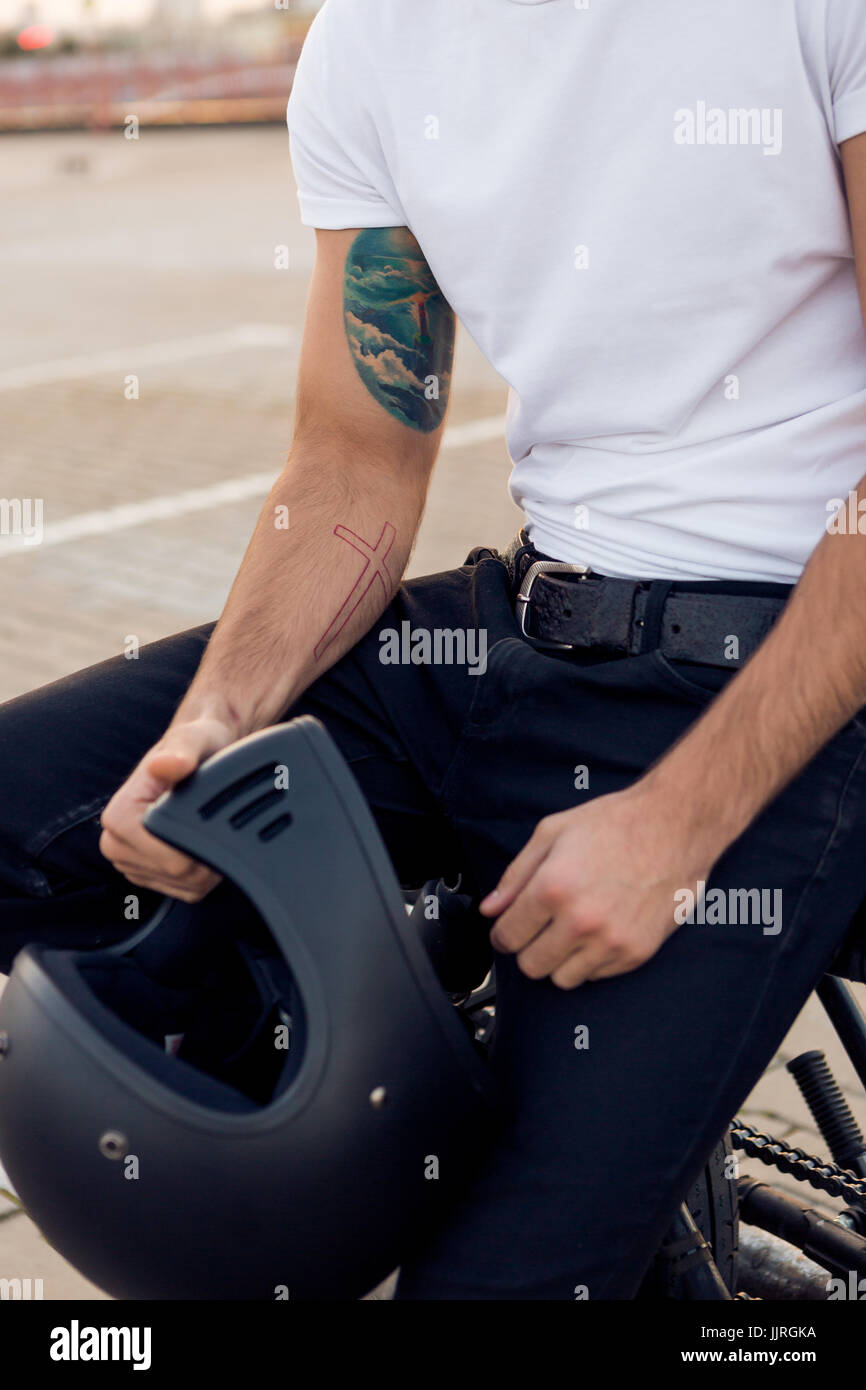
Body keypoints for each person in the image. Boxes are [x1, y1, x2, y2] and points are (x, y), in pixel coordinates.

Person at [4, 0, 866, 1299]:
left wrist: (675, 825)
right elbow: (356, 453)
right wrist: (222, 718)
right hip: (512, 630)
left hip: (786, 666)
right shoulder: (372, 39)